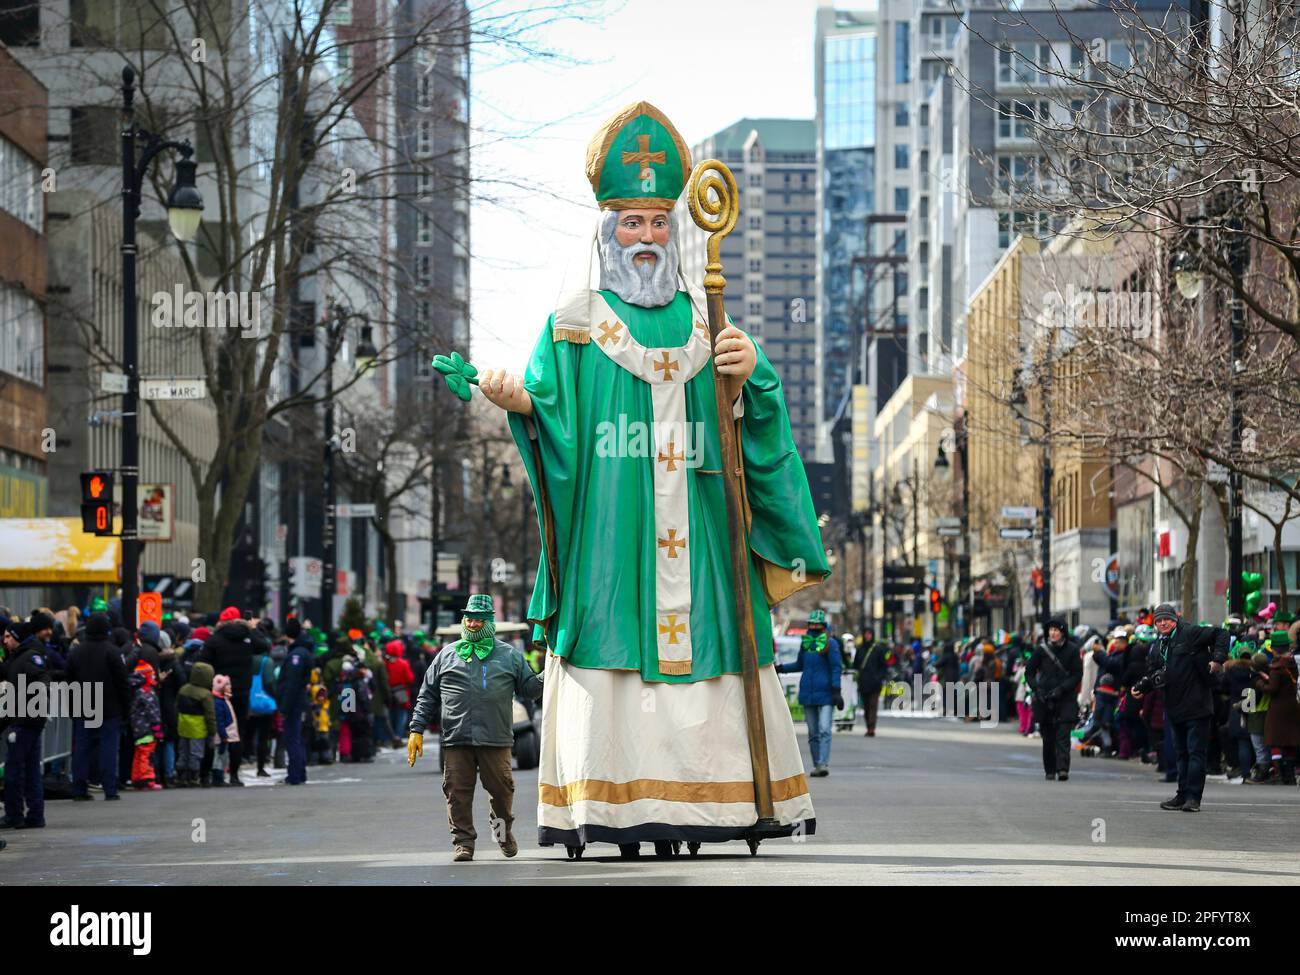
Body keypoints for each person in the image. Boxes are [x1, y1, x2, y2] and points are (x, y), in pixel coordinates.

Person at [473, 101, 828, 854]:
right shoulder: (572, 323)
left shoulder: (710, 323)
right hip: (612, 535)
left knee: (709, 642)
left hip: (700, 535)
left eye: (657, 222)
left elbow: (750, 430)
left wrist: (753, 376)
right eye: (630, 222)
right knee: (611, 644)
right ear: (607, 229)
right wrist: (524, 406)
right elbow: (552, 423)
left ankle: (715, 805)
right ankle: (610, 807)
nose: (645, 237)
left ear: (677, 229)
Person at [408, 595, 543, 862]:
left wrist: (551, 667)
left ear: (489, 622)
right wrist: (416, 729)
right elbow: (427, 696)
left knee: (502, 793)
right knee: (456, 793)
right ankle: (463, 843)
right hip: (456, 738)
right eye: (468, 618)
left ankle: (502, 834)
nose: (471, 623)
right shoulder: (446, 655)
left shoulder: (509, 656)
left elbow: (530, 689)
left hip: (496, 738)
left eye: (478, 619)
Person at [1131, 603, 1229, 812]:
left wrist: (1218, 659)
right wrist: (1142, 687)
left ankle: (1193, 798)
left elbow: (1222, 633)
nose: (1163, 623)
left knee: (1195, 753)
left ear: (1175, 619)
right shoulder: (1158, 645)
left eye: (1166, 619)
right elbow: (1154, 672)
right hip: (1174, 707)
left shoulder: (1190, 633)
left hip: (1197, 705)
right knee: (1181, 754)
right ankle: (1182, 795)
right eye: (1159, 620)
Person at [67, 612, 132, 801]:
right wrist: (126, 708)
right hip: (109, 707)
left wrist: (72, 706)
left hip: (84, 704)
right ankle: (110, 788)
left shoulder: (76, 652)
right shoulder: (113, 652)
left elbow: (69, 681)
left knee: (81, 748)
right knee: (108, 748)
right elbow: (122, 682)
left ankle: (79, 788)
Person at [198, 606, 267, 785]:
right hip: (242, 692)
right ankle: (234, 775)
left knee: (214, 731)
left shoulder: (214, 640)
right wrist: (252, 628)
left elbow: (203, 663)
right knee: (237, 733)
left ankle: (207, 774)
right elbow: (265, 645)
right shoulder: (248, 638)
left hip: (218, 692)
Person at [775, 610, 843, 776]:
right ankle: (817, 765)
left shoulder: (831, 643)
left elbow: (836, 667)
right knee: (813, 732)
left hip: (827, 692)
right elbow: (800, 664)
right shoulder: (805, 644)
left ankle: (823, 763)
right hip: (808, 692)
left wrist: (836, 690)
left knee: (825, 729)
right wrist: (781, 668)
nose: (814, 626)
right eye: (811, 623)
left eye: (817, 624)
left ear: (823, 626)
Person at [1, 620, 52, 829]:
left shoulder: (29, 657)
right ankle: (35, 814)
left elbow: (42, 681)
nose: (4, 641)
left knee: (15, 770)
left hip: (25, 722)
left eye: (7, 637)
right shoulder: (19, 658)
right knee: (31, 770)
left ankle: (15, 814)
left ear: (17, 638)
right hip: (28, 721)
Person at [1025, 618, 1082, 782]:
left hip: (1065, 698)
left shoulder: (1072, 650)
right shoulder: (1041, 650)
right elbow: (1029, 672)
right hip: (1044, 699)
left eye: (1057, 630)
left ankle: (1063, 769)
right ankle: (1050, 769)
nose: (1053, 633)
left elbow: (1077, 674)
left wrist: (1062, 689)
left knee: (1063, 734)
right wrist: (1036, 688)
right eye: (1051, 630)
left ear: (1063, 632)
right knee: (1048, 737)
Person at [276, 619, 314, 785]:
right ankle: (300, 772)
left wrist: (284, 706)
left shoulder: (295, 655)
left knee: (292, 738)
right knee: (297, 738)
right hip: (299, 701)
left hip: (294, 703)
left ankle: (294, 774)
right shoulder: (302, 651)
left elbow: (291, 683)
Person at [174, 661, 217, 787]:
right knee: (195, 753)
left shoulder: (183, 689)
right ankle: (193, 777)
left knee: (183, 752)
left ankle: (181, 776)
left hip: (183, 726)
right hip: (198, 729)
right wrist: (212, 731)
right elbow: (210, 715)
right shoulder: (205, 694)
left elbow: (176, 706)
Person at [128, 659, 163, 790]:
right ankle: (146, 778)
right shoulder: (148, 692)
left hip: (137, 728)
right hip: (147, 729)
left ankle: (136, 777)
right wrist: (158, 730)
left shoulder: (137, 690)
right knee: (146, 754)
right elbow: (153, 714)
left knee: (139, 753)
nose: (154, 677)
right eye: (152, 674)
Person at [853, 626, 888, 737]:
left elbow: (883, 666)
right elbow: (856, 665)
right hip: (863, 683)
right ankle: (868, 725)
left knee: (873, 705)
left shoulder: (878, 649)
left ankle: (871, 728)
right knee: (866, 706)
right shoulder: (860, 649)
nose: (867, 636)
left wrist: (880, 678)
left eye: (869, 634)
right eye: (866, 634)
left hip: (875, 683)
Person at [384, 638, 415, 742]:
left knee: (391, 714)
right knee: (401, 715)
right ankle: (398, 736)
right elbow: (410, 679)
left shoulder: (385, 663)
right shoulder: (403, 663)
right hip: (402, 692)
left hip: (389, 692)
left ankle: (391, 736)